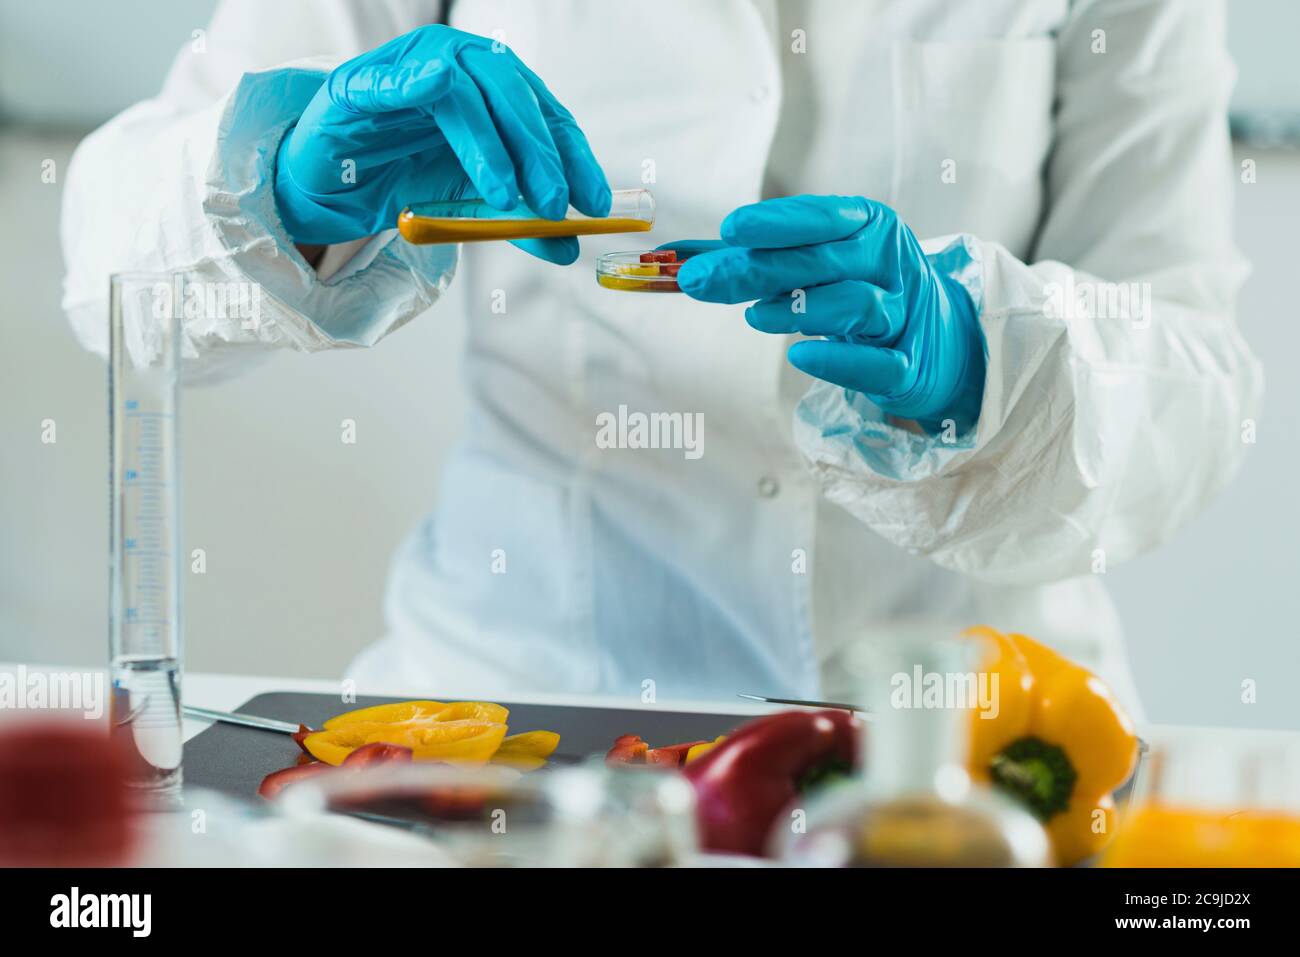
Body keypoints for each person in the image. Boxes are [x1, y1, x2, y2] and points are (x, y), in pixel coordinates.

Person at [63, 0, 1261, 711]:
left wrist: (981, 368)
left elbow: (1193, 370)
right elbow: (118, 279)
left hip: (966, 735)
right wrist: (276, 189)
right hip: (527, 702)